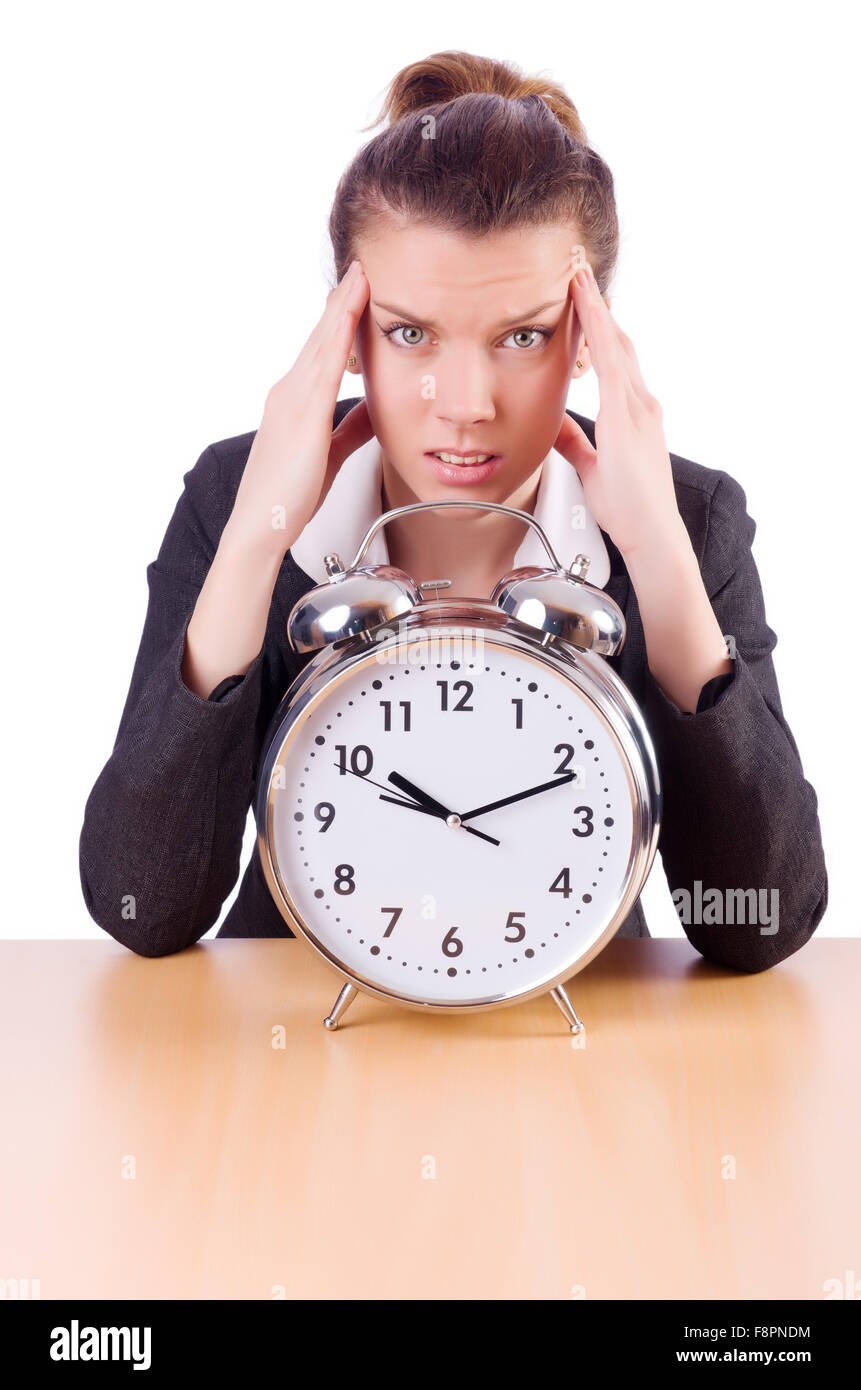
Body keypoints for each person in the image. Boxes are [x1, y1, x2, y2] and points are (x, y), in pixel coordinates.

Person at [79, 49, 827, 971]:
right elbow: (143, 905)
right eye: (408, 333)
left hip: (582, 1037)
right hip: (291, 1041)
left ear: (588, 340)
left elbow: (758, 923)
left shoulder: (689, 516)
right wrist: (255, 536)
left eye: (522, 335)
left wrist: (662, 559)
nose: (466, 401)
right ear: (345, 335)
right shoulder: (239, 497)